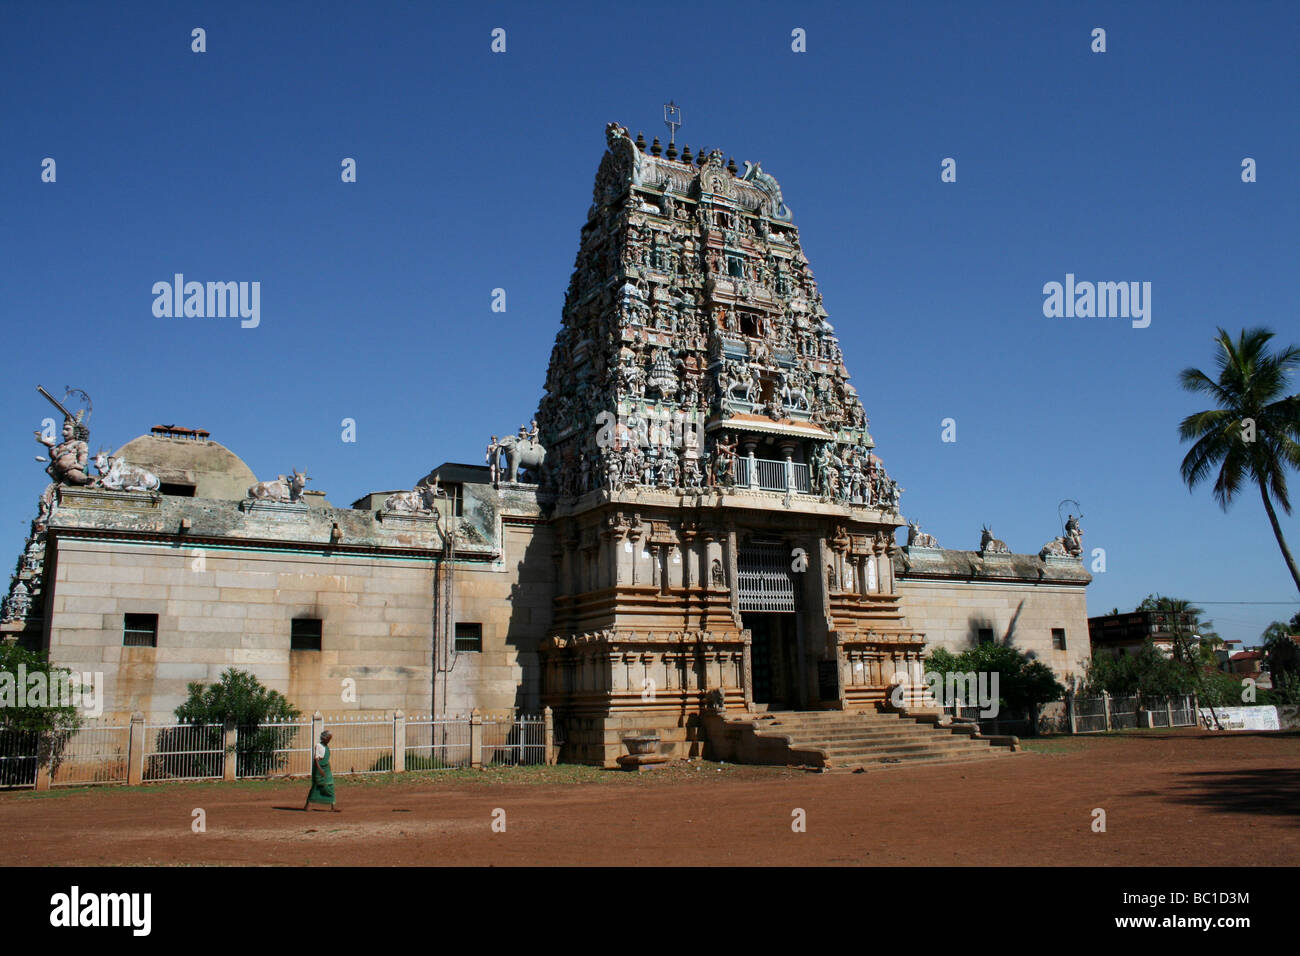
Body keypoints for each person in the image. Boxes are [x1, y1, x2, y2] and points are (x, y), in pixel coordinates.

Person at [304, 730, 339, 812]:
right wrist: (320, 770)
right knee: (316, 786)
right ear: (324, 738)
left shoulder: (327, 747)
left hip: (326, 769)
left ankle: (333, 806)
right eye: (328, 739)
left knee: (330, 785)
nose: (329, 741)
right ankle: (307, 805)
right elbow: (316, 759)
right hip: (319, 769)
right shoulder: (318, 746)